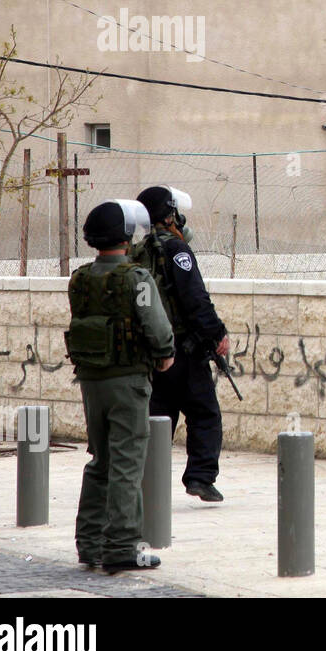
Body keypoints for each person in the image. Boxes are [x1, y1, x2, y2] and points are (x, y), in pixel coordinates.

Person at [67, 199, 175, 573]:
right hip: (127, 381)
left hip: (91, 380)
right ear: (127, 235)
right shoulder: (137, 278)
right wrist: (164, 353)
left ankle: (90, 543)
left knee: (100, 462)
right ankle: (122, 546)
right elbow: (157, 327)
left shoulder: (80, 278)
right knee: (128, 464)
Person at [133, 185, 231, 503]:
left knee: (158, 418)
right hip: (183, 350)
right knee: (204, 413)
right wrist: (216, 334)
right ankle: (201, 478)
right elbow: (194, 299)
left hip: (147, 350)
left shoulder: (136, 249)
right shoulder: (176, 250)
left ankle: (150, 481)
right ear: (168, 214)